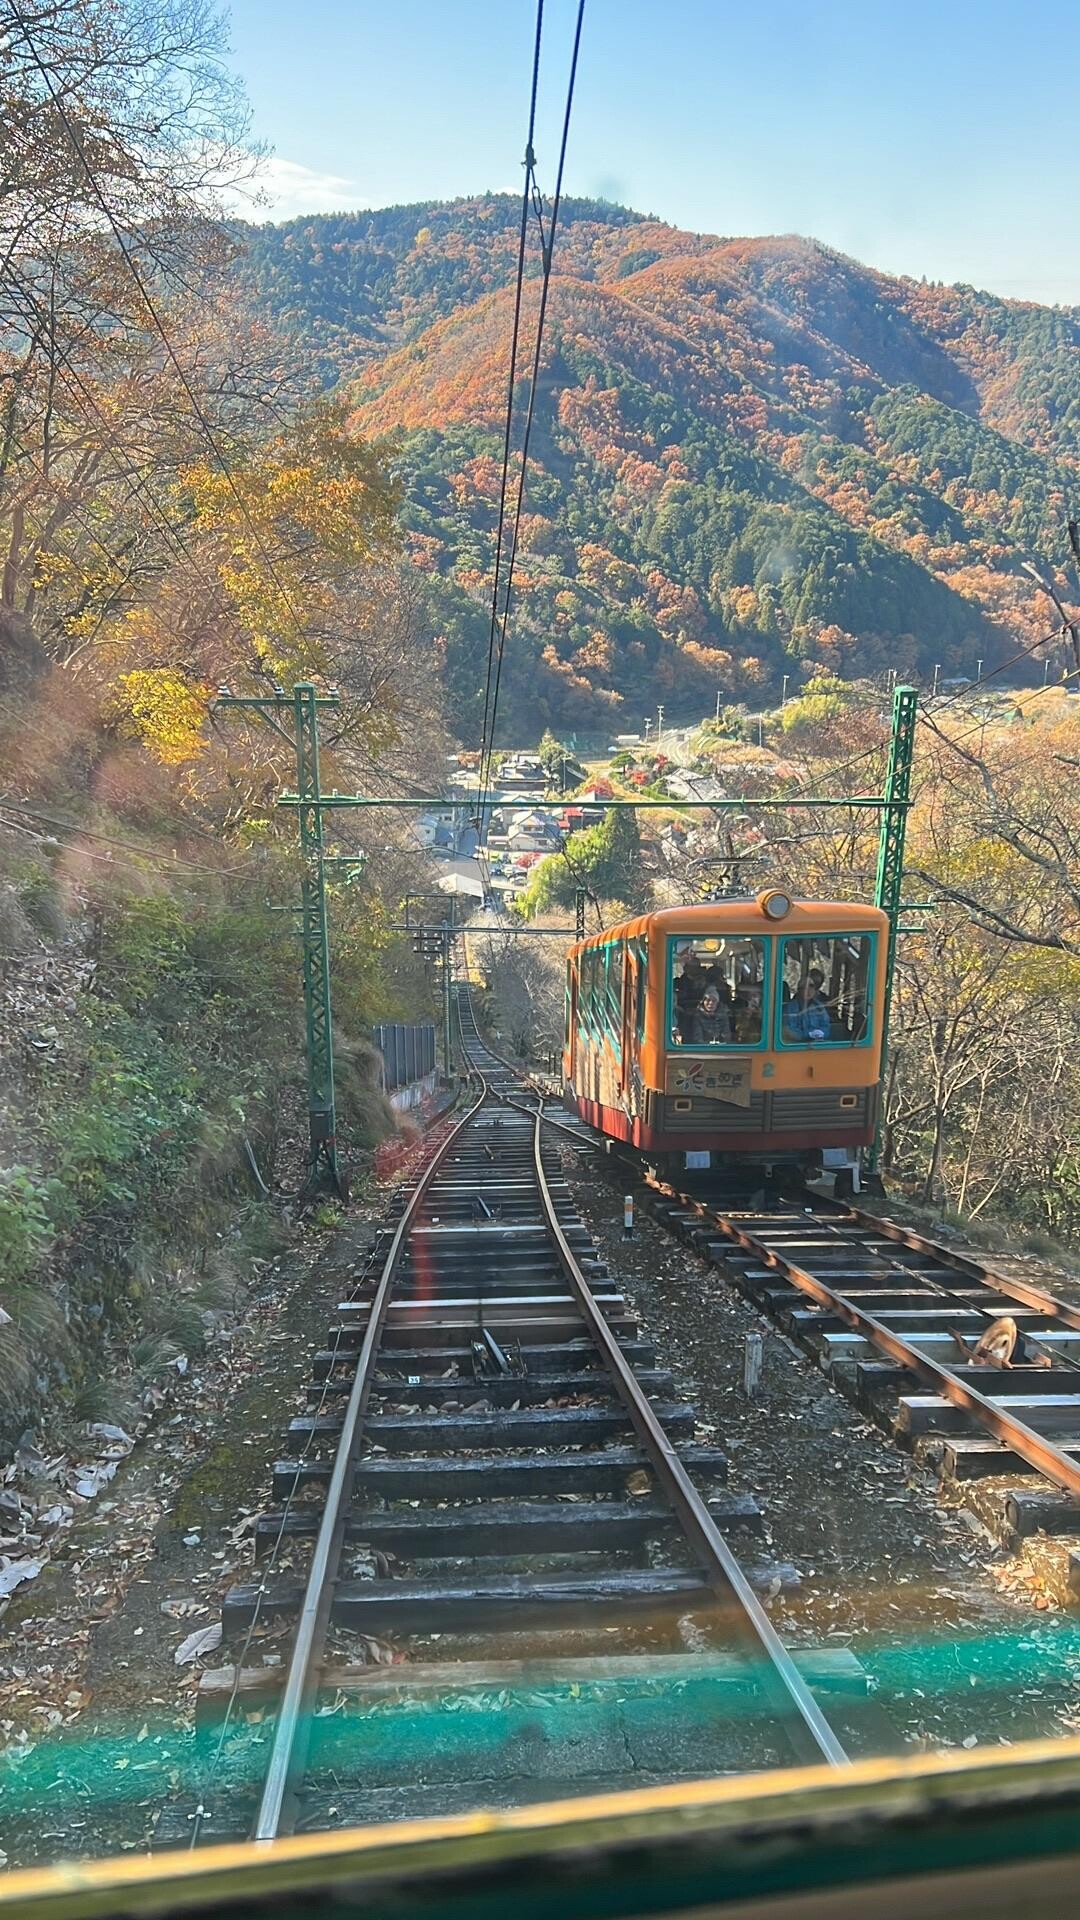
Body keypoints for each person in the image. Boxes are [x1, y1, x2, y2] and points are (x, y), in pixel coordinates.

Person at [783, 973, 831, 1042]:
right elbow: (790, 1031)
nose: (809, 990)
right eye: (805, 987)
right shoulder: (790, 1008)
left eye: (811, 986)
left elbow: (826, 1028)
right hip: (798, 1045)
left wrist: (822, 1033)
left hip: (818, 1044)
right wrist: (809, 1034)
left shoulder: (819, 1007)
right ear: (799, 990)